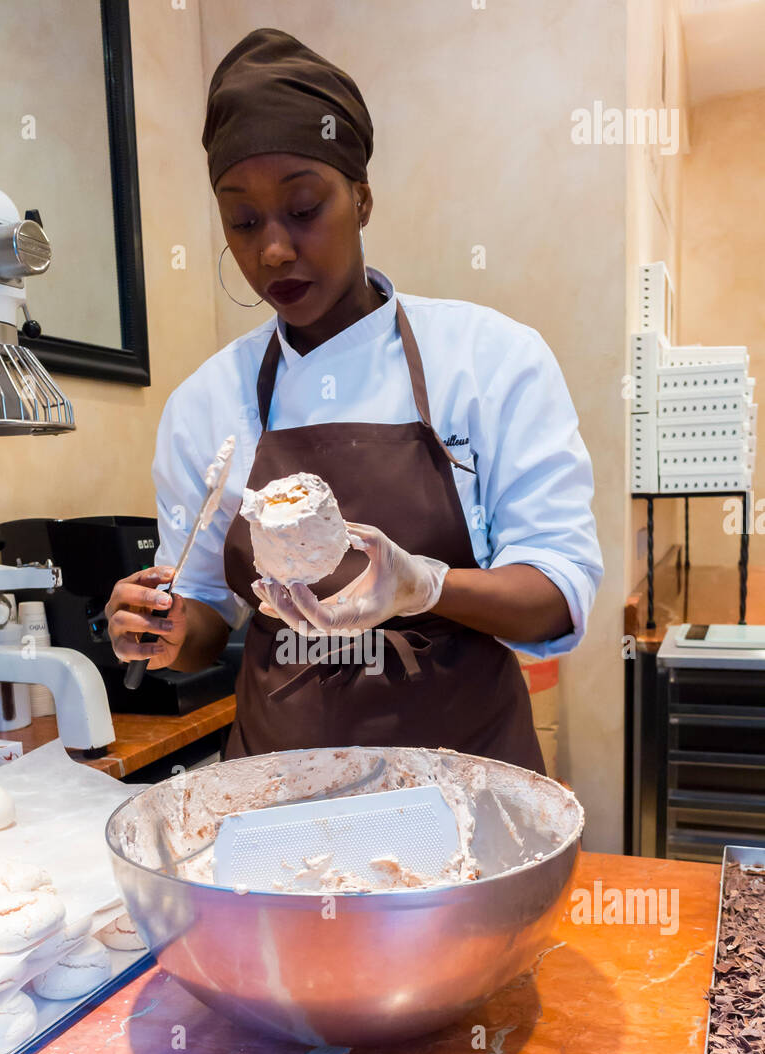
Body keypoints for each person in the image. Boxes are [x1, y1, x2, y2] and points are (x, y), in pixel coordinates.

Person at [105, 27, 603, 773]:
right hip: (280, 792)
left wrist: (423, 585)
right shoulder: (205, 404)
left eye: (303, 208)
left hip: (464, 787)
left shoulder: (490, 358)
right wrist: (166, 627)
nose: (272, 249)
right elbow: (209, 613)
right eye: (243, 221)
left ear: (362, 198)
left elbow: (559, 597)